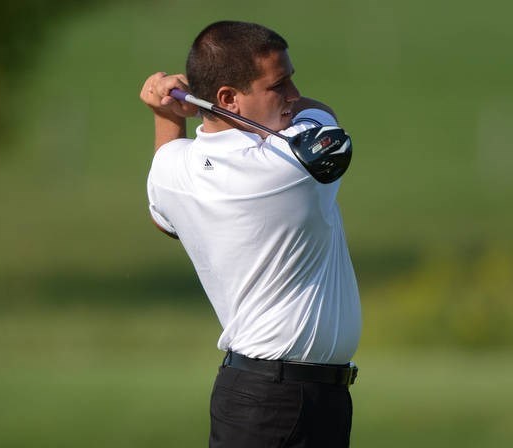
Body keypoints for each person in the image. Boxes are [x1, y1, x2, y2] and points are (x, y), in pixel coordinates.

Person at [140, 21, 361, 448]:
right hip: (275, 401)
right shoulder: (291, 166)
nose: (294, 94)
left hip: (271, 397)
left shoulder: (175, 169)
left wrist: (166, 114)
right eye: (280, 85)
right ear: (228, 99)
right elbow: (324, 116)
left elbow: (164, 216)